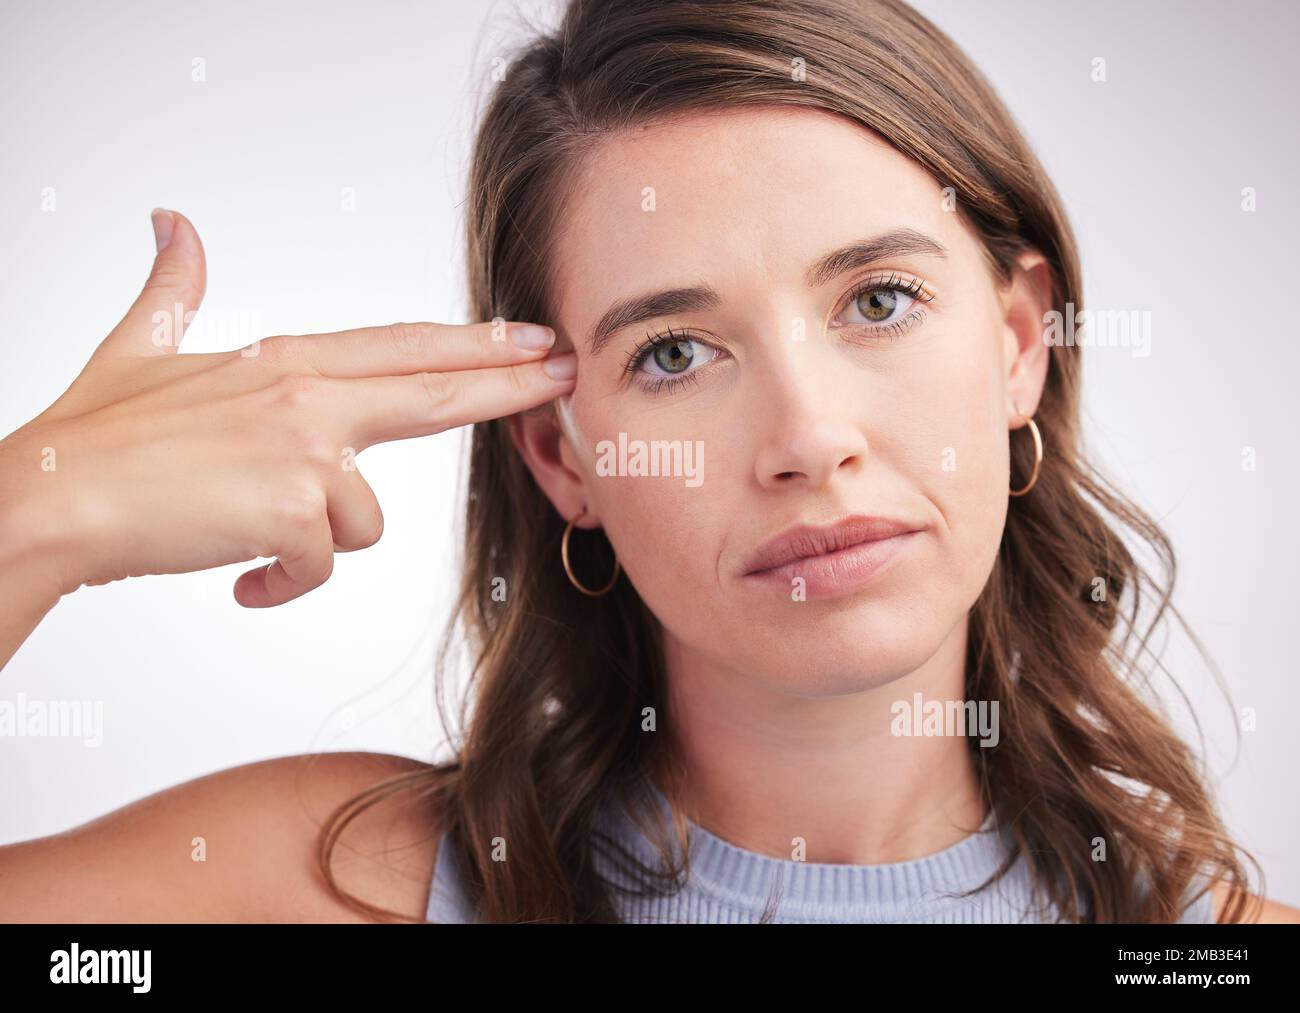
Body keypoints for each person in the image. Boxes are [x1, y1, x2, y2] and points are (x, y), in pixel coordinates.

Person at [1, 0, 1295, 923]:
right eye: (676, 354)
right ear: (564, 454)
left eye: (880, 301)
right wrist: (36, 512)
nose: (807, 439)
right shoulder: (324, 889)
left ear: (1019, 343)